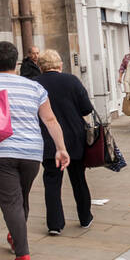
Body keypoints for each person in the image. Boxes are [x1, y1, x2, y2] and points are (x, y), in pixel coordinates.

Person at [0, 42, 70, 260]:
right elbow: (50, 120)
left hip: (0, 150)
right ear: (17, 61)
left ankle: (22, 253)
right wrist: (61, 148)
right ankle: (16, 237)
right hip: (32, 151)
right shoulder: (34, 88)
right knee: (21, 198)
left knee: (11, 202)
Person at [36, 49, 95, 233]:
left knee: (52, 181)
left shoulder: (35, 84)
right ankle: (85, 217)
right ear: (60, 65)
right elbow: (86, 109)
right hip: (74, 137)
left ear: (40, 66)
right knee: (78, 178)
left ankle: (55, 224)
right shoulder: (71, 80)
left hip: (47, 138)